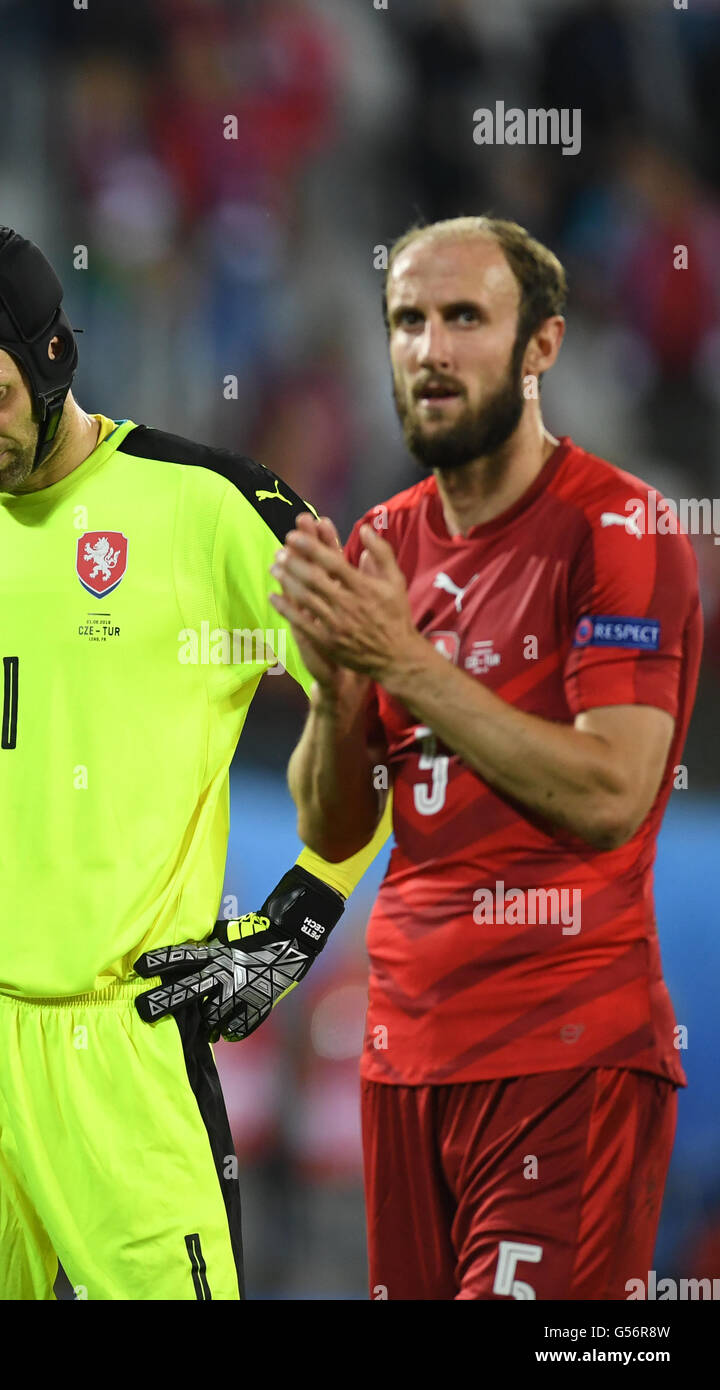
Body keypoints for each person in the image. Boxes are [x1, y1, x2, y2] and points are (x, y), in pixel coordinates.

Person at [0, 224, 388, 1301]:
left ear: (54, 357)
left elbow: (377, 704)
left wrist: (297, 924)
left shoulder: (211, 505)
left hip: (122, 1033)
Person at [270, 216, 702, 1300]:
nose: (431, 349)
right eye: (407, 321)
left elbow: (610, 792)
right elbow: (334, 826)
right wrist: (336, 691)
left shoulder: (621, 528)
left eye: (466, 318)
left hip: (564, 1048)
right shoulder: (385, 541)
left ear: (540, 346)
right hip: (405, 1054)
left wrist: (400, 663)